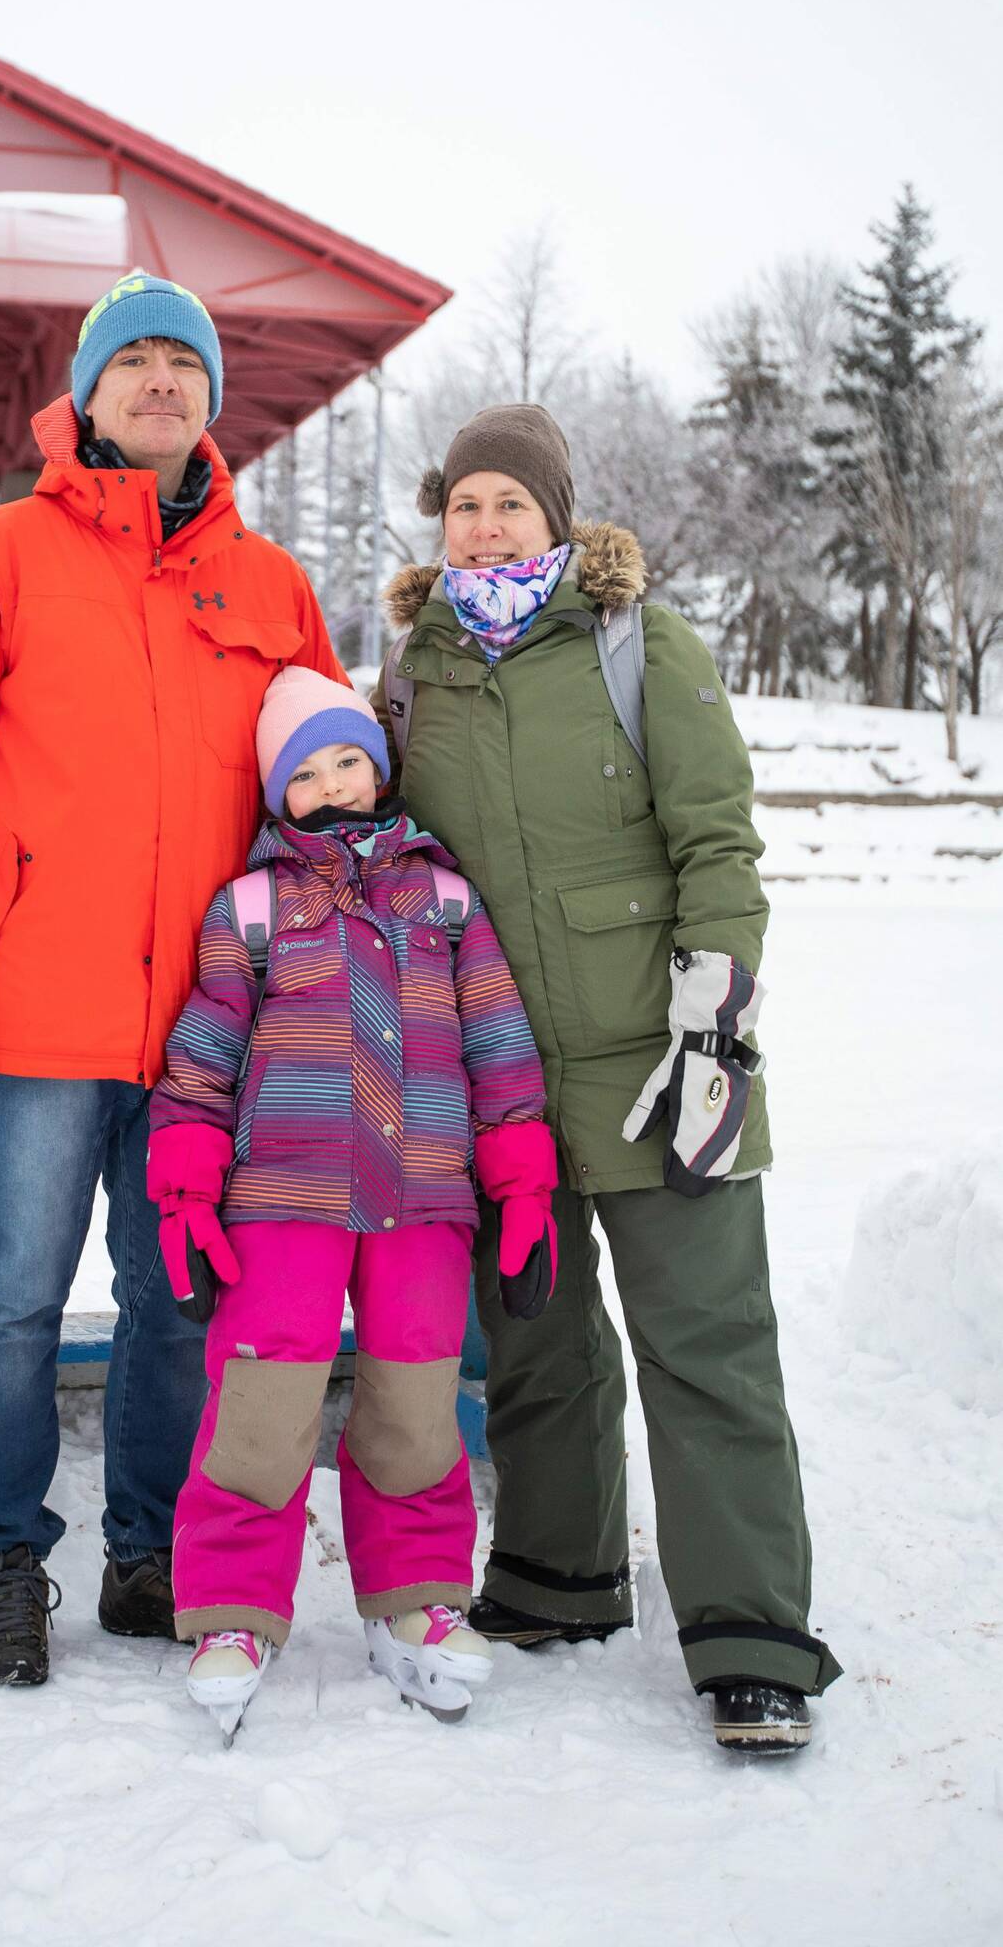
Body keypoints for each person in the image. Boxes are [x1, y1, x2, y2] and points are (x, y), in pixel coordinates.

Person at [0, 269, 344, 1687]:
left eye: (181, 365)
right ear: (85, 393)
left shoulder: (269, 587)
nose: (157, 385)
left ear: (209, 399)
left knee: (175, 1296)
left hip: (205, 1027)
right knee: (11, 1295)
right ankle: (5, 1562)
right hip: (32, 1013)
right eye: (129, 362)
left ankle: (148, 1549)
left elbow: (325, 801)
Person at [375, 403, 841, 1754]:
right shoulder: (415, 671)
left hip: (658, 1059)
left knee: (706, 1345)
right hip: (498, 1070)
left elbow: (717, 838)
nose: (483, 525)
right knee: (537, 1340)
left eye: (508, 503)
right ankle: (556, 1580)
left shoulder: (641, 643)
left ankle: (752, 1638)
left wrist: (717, 1012)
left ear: (555, 516)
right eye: (463, 504)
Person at [147, 667, 556, 1736]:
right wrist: (187, 1181)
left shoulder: (447, 895)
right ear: (277, 795)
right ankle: (234, 1608)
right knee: (263, 1397)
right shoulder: (250, 907)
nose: (331, 787)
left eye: (347, 761)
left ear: (379, 766)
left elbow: (501, 1044)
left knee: (417, 1398)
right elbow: (202, 1052)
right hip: (285, 1195)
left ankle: (418, 1598)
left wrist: (519, 1177)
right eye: (305, 774)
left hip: (424, 1193)